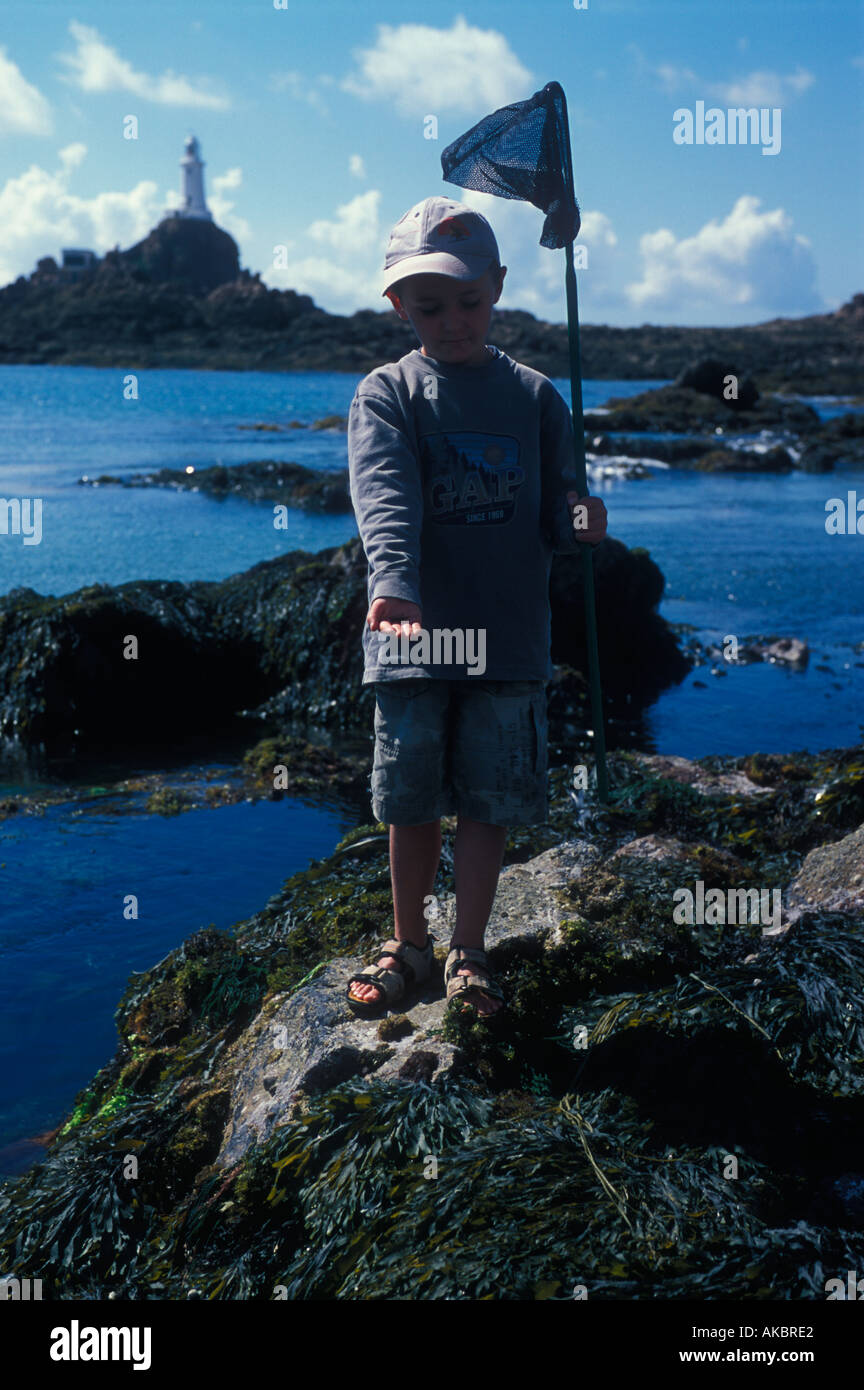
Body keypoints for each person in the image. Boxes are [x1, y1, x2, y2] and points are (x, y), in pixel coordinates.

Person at [345, 195, 607, 1019]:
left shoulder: (534, 396)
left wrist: (579, 519)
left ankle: (469, 950)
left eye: (469, 301)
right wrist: (393, 582)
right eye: (429, 307)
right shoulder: (387, 394)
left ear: (497, 287)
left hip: (509, 640)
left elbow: (558, 511)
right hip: (414, 638)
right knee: (411, 797)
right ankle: (409, 945)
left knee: (489, 801)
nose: (452, 321)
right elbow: (383, 494)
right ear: (398, 305)